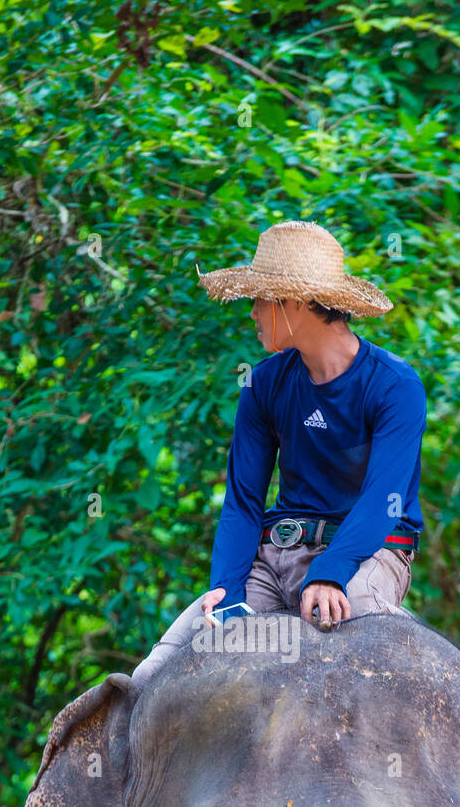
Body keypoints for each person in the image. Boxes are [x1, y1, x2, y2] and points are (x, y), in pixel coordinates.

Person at [131, 220, 425, 685]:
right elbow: (243, 500)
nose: (252, 314)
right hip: (275, 556)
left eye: (258, 300)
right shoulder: (263, 384)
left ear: (295, 302)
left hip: (369, 557)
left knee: (376, 672)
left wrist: (329, 572)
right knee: (154, 675)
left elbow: (382, 502)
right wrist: (225, 587)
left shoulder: (395, 386)